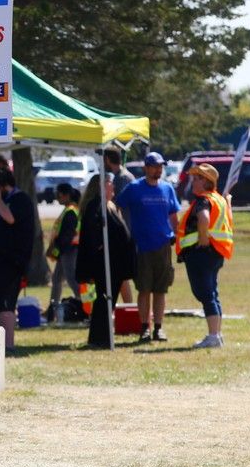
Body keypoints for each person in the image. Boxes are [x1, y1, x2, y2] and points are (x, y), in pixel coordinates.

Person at [115, 151, 181, 342]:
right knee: (144, 289)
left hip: (163, 246)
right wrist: (121, 230)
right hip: (141, 247)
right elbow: (117, 205)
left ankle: (158, 328)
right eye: (154, 166)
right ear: (146, 167)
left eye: (161, 166)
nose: (158, 169)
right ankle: (144, 327)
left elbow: (173, 216)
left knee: (160, 289)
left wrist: (177, 236)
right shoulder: (134, 188)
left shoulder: (167, 189)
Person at [175, 163, 234, 349]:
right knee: (212, 293)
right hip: (215, 253)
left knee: (205, 293)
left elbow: (204, 219)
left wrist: (202, 238)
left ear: (206, 181)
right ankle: (217, 334)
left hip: (201, 253)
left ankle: (213, 336)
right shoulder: (218, 199)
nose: (193, 181)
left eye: (197, 178)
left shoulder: (203, 200)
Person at [75, 174, 136, 348]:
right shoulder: (96, 206)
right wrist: (101, 248)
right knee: (104, 299)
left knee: (108, 299)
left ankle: (102, 335)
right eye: (110, 184)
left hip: (116, 262)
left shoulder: (110, 205)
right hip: (104, 263)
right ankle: (99, 337)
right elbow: (93, 234)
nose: (113, 187)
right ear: (101, 186)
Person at [0, 167, 34, 355]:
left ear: (0, 185)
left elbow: (10, 219)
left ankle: (8, 345)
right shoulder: (3, 204)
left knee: (6, 304)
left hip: (10, 264)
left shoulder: (20, 200)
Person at [103, 145, 135, 303]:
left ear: (107, 160)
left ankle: (130, 307)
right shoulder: (123, 176)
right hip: (127, 231)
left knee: (124, 273)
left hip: (127, 231)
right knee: (122, 275)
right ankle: (128, 306)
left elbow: (117, 206)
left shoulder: (121, 178)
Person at [46, 182, 81, 316]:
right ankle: (53, 308)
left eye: (59, 194)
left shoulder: (71, 211)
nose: (57, 197)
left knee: (71, 279)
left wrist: (58, 248)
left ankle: (83, 303)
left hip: (69, 250)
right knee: (56, 279)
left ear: (66, 195)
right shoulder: (68, 209)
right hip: (64, 251)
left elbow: (68, 233)